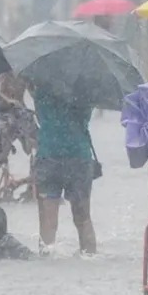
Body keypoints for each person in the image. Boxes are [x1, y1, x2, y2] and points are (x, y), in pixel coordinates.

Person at [32, 86, 97, 256]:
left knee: (48, 219)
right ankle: (89, 256)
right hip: (78, 155)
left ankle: (46, 261)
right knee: (83, 218)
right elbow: (85, 118)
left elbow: (40, 116)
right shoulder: (84, 88)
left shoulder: (42, 86)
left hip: (49, 153)